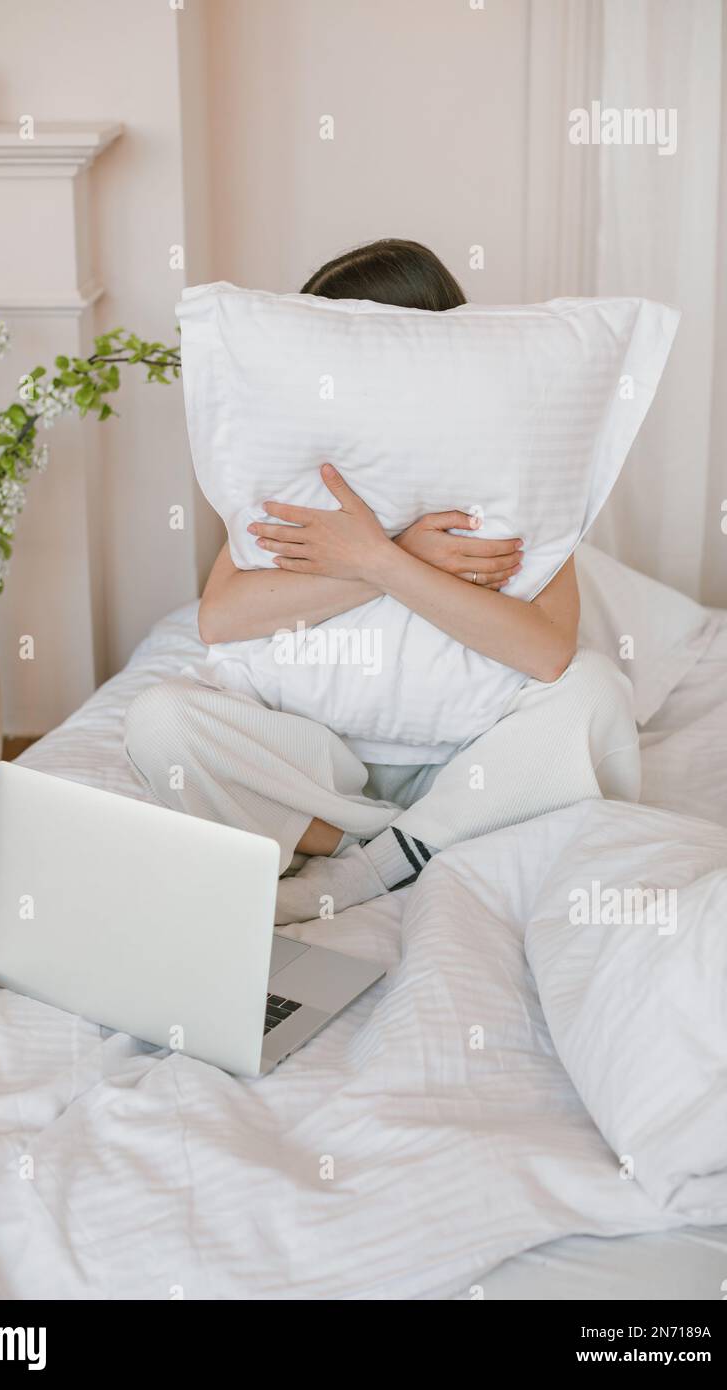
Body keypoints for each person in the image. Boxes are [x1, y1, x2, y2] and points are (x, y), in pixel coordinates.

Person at [125, 239, 640, 924]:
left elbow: (548, 653)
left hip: (466, 761)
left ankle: (375, 866)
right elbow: (221, 618)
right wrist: (382, 554)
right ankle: (391, 840)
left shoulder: (513, 474)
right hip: (317, 769)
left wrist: (390, 564)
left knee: (597, 692)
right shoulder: (297, 474)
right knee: (160, 721)